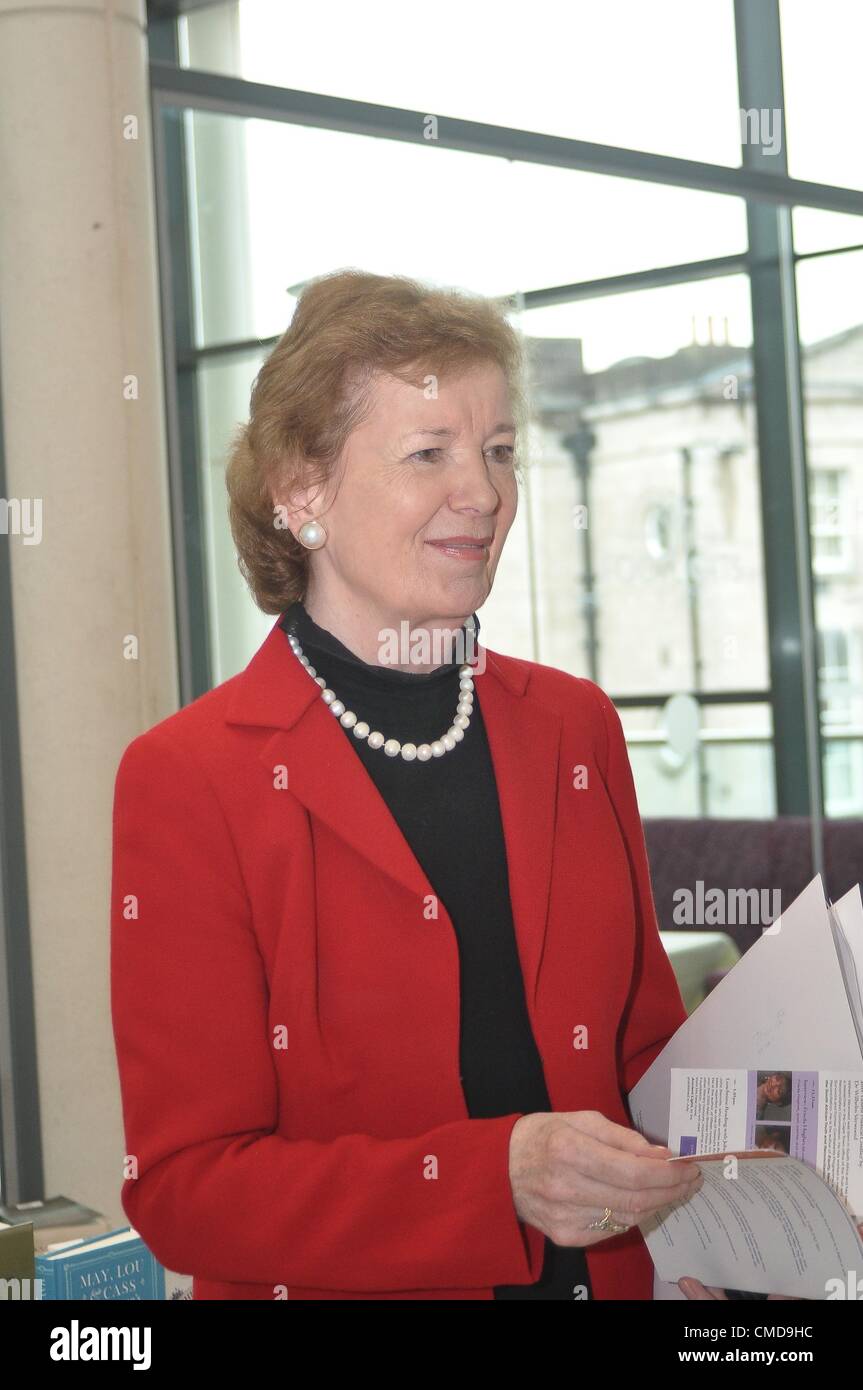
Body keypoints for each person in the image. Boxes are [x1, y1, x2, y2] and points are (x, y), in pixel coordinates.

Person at [110, 268, 707, 1301]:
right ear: (302, 491)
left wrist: (711, 1226)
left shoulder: (573, 725)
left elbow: (642, 1053)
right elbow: (187, 1191)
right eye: (428, 452)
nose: (479, 491)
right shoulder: (188, 778)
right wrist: (493, 1178)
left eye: (497, 451)